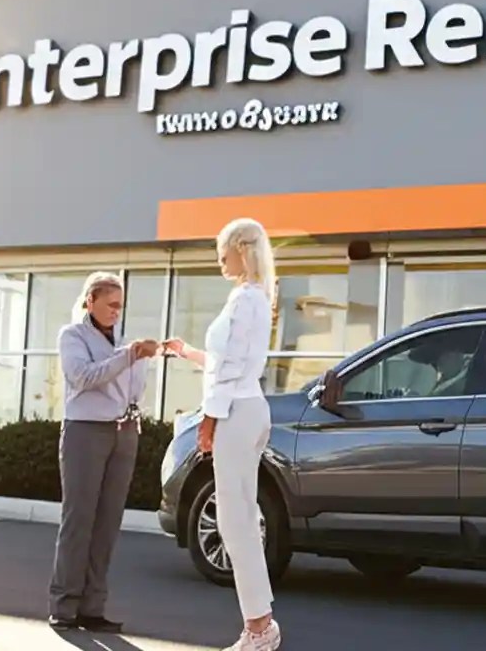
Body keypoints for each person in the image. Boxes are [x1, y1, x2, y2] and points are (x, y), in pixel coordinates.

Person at [164, 218, 281, 651]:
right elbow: (226, 361)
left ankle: (260, 629)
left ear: (242, 250)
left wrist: (209, 421)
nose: (220, 260)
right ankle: (261, 624)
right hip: (249, 407)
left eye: (223, 252)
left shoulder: (245, 298)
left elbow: (230, 369)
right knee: (242, 520)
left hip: (236, 412)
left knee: (236, 523)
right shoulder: (255, 298)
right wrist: (189, 352)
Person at [48, 271, 161, 632]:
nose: (116, 311)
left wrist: (140, 358)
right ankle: (64, 606)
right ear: (90, 301)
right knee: (79, 520)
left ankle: (93, 608)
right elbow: (82, 377)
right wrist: (129, 356)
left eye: (120, 306)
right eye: (111, 304)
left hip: (124, 433)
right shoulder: (72, 336)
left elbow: (133, 390)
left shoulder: (123, 341)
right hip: (85, 432)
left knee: (108, 523)